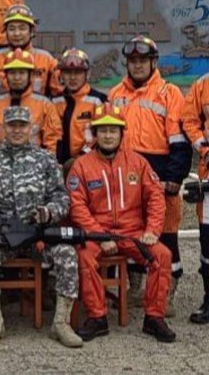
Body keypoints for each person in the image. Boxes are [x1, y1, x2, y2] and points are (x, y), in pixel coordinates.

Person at [0, 106, 82, 348]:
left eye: (22, 125)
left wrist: (49, 212)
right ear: (3, 129)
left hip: (38, 235)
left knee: (67, 254)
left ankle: (61, 323)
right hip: (4, 237)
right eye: (12, 126)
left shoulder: (45, 160)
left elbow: (62, 198)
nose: (17, 130)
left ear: (31, 128)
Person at [67, 104, 175, 343]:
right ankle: (97, 318)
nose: (108, 135)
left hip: (132, 232)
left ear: (121, 133)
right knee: (84, 257)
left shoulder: (138, 163)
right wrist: (99, 235)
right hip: (96, 235)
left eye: (113, 130)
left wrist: (152, 231)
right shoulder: (81, 165)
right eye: (103, 130)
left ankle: (154, 318)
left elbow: (156, 197)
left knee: (162, 256)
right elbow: (77, 206)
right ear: (95, 134)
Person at [109, 35, 191, 314]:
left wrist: (175, 178)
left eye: (143, 61)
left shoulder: (169, 93)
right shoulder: (116, 94)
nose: (138, 66)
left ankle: (167, 290)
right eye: (133, 61)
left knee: (166, 233)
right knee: (133, 230)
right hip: (126, 170)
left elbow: (180, 142)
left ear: (153, 62)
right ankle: (136, 286)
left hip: (161, 170)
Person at [0, 49, 62, 155]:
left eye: (22, 73)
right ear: (6, 76)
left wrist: (46, 166)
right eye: (12, 73)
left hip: (34, 165)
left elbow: (52, 142)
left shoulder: (45, 105)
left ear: (30, 76)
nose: (17, 78)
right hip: (0, 166)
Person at [0, 4, 62, 97]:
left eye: (22, 28)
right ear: (5, 32)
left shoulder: (47, 59)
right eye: (11, 29)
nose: (17, 33)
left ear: (32, 31)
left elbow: (58, 95)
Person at [182, 71, 209, 323]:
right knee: (208, 243)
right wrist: (204, 147)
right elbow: (189, 120)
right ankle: (208, 300)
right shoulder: (201, 84)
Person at [52, 48, 107, 166]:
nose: (72, 77)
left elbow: (102, 135)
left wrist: (81, 157)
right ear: (61, 74)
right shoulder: (55, 101)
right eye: (68, 72)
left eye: (78, 72)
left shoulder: (99, 101)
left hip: (91, 163)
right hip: (58, 165)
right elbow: (50, 135)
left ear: (87, 74)